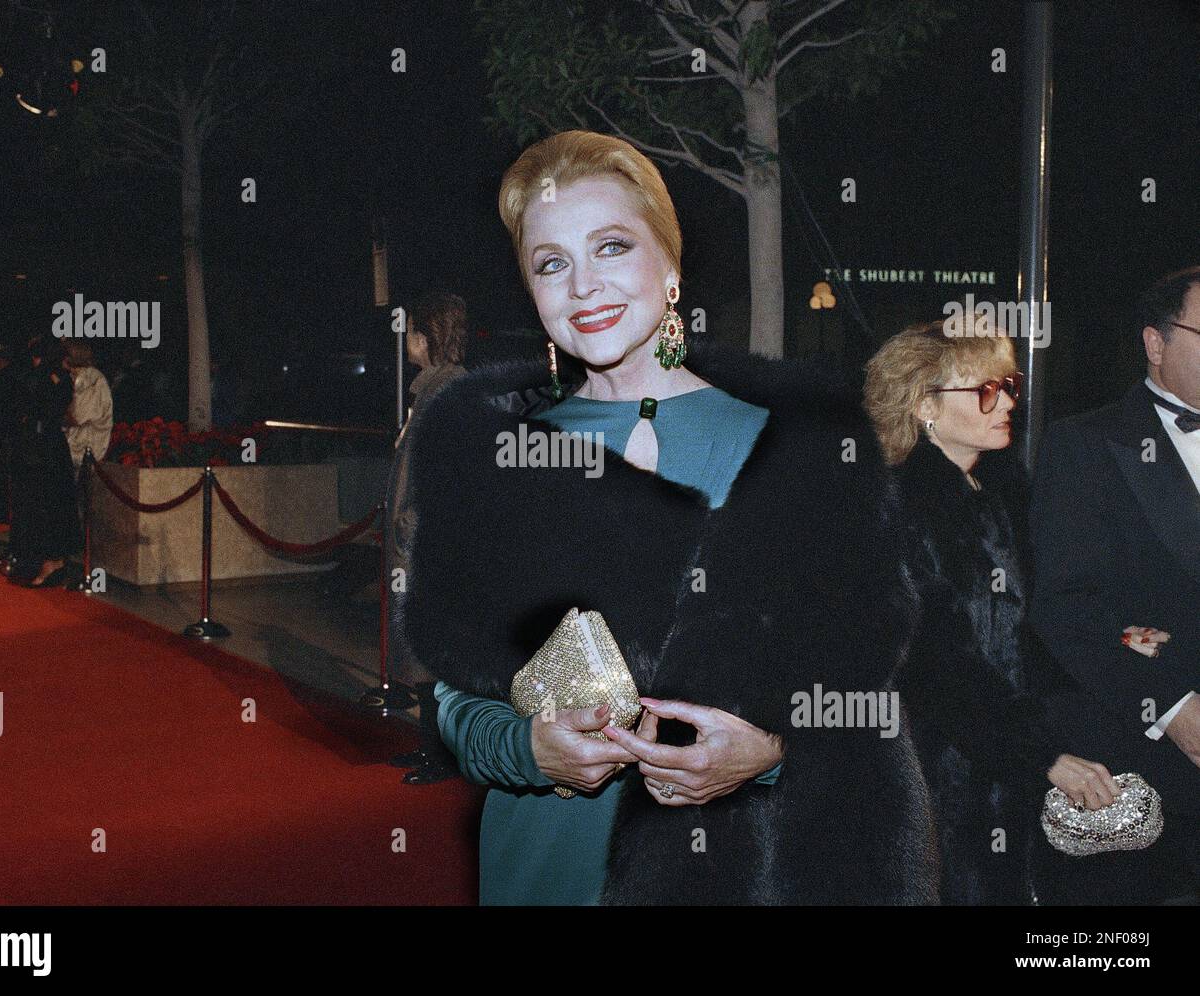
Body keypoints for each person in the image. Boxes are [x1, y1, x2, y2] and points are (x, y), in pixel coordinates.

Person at [399, 130, 936, 905]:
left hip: (747, 868)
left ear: (671, 265)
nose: (583, 286)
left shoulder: (806, 449)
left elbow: (867, 694)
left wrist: (770, 751)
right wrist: (525, 748)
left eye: (611, 247)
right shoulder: (486, 452)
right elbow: (455, 688)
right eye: (552, 263)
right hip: (547, 862)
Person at [864, 318, 1119, 905]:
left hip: (997, 758)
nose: (1006, 401)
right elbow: (934, 661)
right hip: (929, 765)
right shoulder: (900, 504)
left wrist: (1121, 647)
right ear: (925, 404)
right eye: (985, 389)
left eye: (1009, 384)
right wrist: (1043, 754)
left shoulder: (996, 492)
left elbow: (1024, 630)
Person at [1030, 266, 1200, 903]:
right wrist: (1176, 709)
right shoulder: (1086, 446)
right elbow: (1068, 609)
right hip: (1149, 777)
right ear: (1156, 344)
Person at [385, 291, 468, 785]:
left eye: (413, 330)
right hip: (414, 543)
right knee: (419, 653)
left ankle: (442, 756)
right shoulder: (431, 391)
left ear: (428, 337)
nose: (407, 339)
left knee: (431, 652)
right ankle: (428, 747)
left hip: (427, 547)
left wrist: (409, 526)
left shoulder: (447, 393)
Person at [7, 337, 81, 587]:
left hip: (46, 447)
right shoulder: (42, 376)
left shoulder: (56, 378)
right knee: (33, 505)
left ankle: (53, 560)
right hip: (33, 443)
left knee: (48, 504)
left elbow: (47, 405)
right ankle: (35, 558)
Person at [62, 341, 114, 472]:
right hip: (73, 449)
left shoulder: (92, 378)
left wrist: (53, 414)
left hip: (86, 450)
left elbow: (77, 416)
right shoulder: (74, 376)